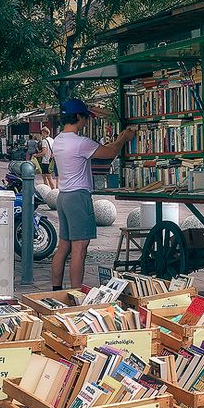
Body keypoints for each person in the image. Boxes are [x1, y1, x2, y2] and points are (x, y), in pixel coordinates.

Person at [50, 99, 135, 289]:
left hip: (63, 196)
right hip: (78, 196)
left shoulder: (58, 141)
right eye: (85, 117)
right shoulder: (81, 143)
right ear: (78, 117)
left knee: (63, 246)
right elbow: (110, 152)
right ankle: (76, 292)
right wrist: (123, 138)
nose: (87, 121)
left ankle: (56, 289)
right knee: (80, 248)